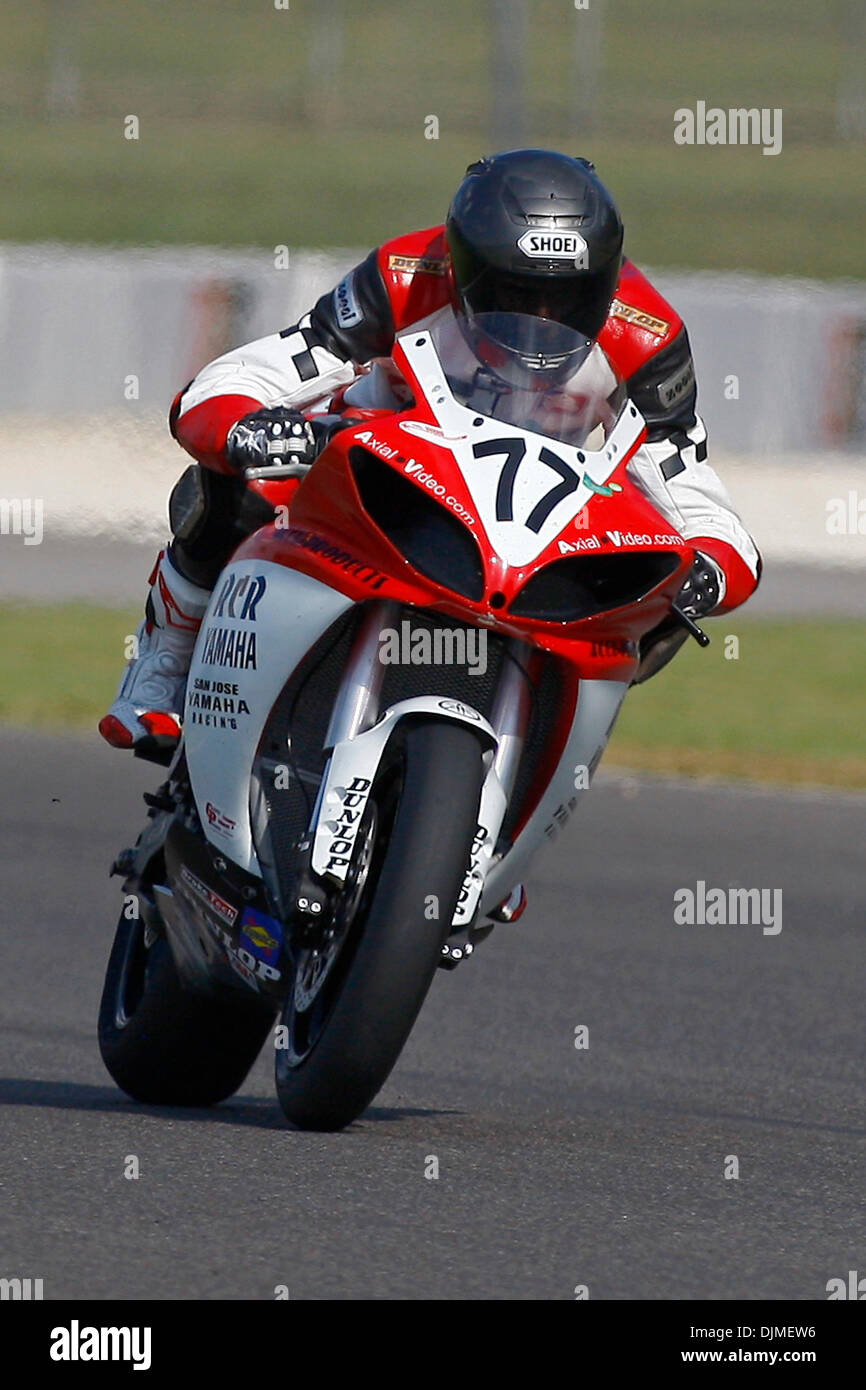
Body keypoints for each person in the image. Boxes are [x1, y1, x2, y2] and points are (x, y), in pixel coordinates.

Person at [100, 148, 760, 754]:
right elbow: (252, 374)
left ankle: (509, 837)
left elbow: (693, 490)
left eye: (568, 296)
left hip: (540, 525)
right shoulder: (405, 275)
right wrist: (250, 428)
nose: (542, 317)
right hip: (386, 480)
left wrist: (710, 569)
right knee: (232, 484)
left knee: (654, 606)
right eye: (516, 293)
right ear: (465, 266)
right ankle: (163, 666)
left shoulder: (647, 336)